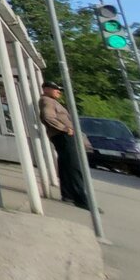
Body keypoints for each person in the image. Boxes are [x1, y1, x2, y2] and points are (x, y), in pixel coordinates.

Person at [39, 81, 90, 209]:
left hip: (62, 137)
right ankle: (81, 199)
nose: (58, 91)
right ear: (46, 89)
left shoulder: (52, 101)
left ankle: (68, 195)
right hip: (63, 137)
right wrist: (65, 129)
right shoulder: (47, 101)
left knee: (66, 166)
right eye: (55, 89)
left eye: (59, 89)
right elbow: (47, 117)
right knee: (74, 166)